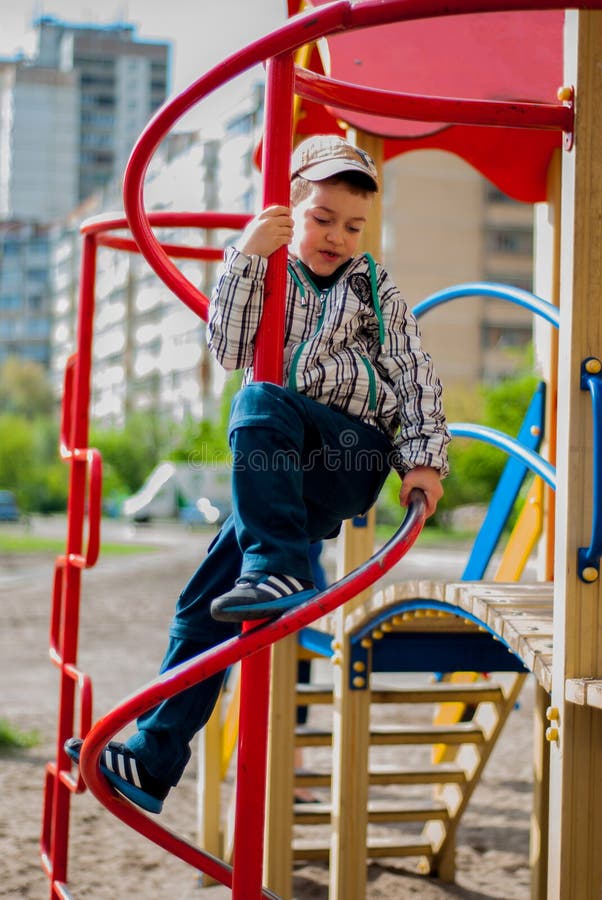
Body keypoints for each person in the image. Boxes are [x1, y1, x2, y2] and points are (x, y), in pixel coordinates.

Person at [65, 134, 450, 815]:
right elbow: (227, 347)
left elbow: (413, 374)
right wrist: (247, 256)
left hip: (346, 453)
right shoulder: (263, 269)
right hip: (279, 472)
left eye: (353, 226)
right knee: (201, 606)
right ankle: (155, 759)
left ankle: (277, 565)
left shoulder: (373, 287)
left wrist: (422, 459)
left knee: (260, 399)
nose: (337, 236)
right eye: (321, 218)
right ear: (288, 210)